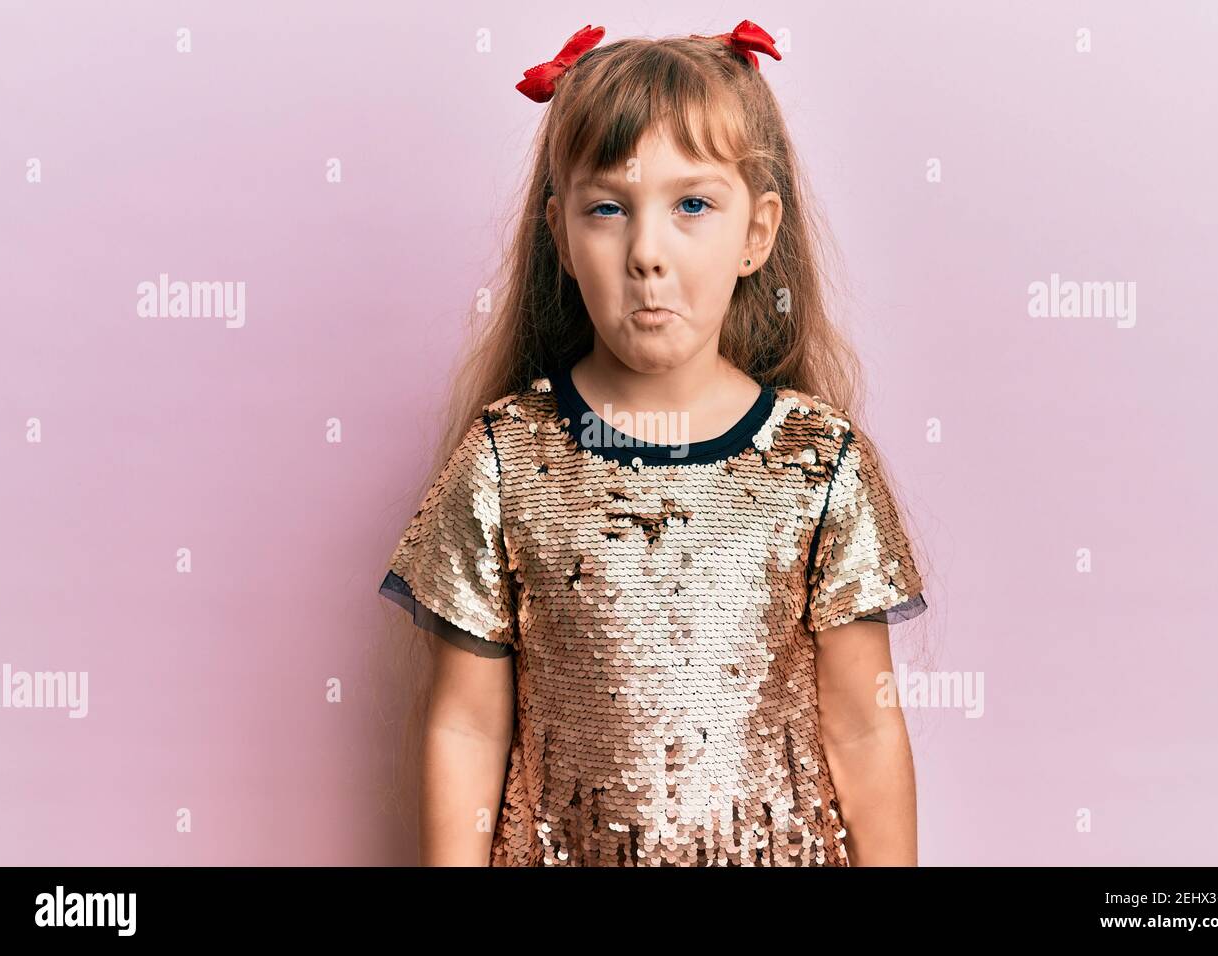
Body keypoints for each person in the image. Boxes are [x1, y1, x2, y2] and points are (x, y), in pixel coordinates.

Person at [379, 20, 930, 866]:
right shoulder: (504, 462)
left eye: (692, 206)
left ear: (758, 231)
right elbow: (465, 725)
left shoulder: (818, 464)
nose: (647, 253)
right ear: (560, 235)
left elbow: (862, 727)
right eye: (608, 209)